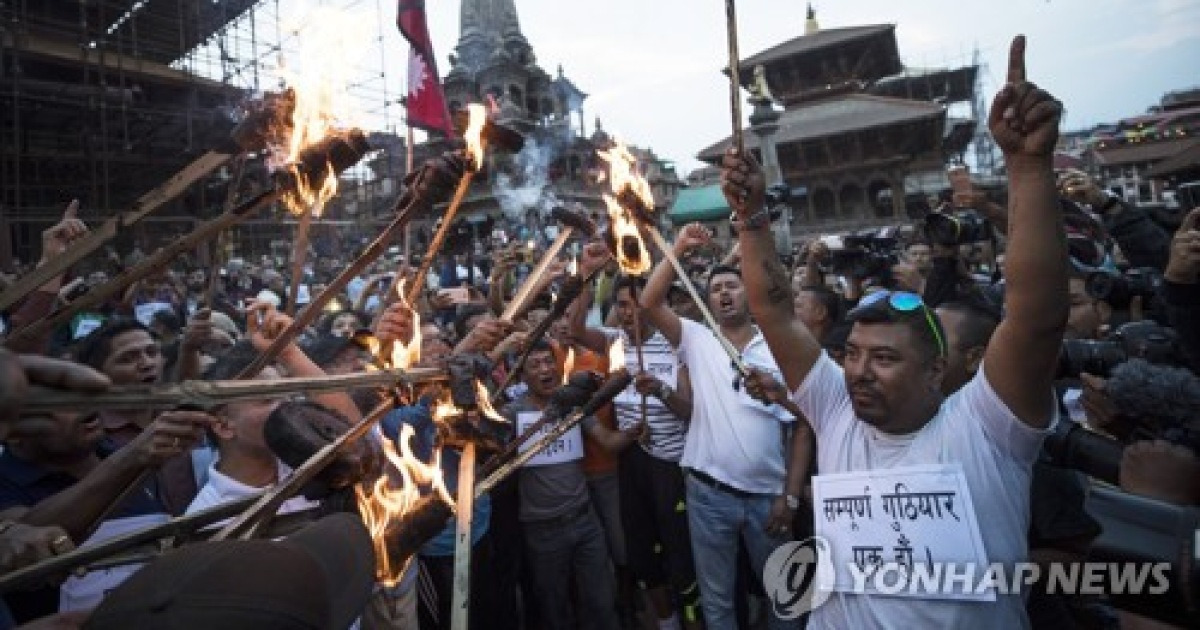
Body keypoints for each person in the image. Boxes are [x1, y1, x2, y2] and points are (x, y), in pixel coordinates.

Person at [727, 35, 1067, 627]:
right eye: (853, 354)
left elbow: (1036, 318)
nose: (857, 371)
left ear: (937, 370)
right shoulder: (835, 412)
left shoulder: (988, 432)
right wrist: (752, 218)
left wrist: (1029, 168)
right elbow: (775, 311)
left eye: (884, 358)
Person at [640, 235, 804, 630]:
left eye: (732, 286)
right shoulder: (696, 339)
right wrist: (678, 248)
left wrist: (791, 497)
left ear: (748, 294)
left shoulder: (779, 345)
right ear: (708, 301)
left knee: (783, 599)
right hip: (708, 496)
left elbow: (803, 426)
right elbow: (649, 303)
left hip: (770, 499)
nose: (724, 294)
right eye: (715, 289)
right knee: (718, 602)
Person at [502, 340, 639, 630]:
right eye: (535, 365)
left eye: (549, 362)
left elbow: (608, 442)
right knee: (555, 610)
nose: (545, 369)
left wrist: (638, 429)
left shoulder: (570, 406)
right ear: (522, 376)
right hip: (542, 530)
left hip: (585, 521)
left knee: (602, 603)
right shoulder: (512, 414)